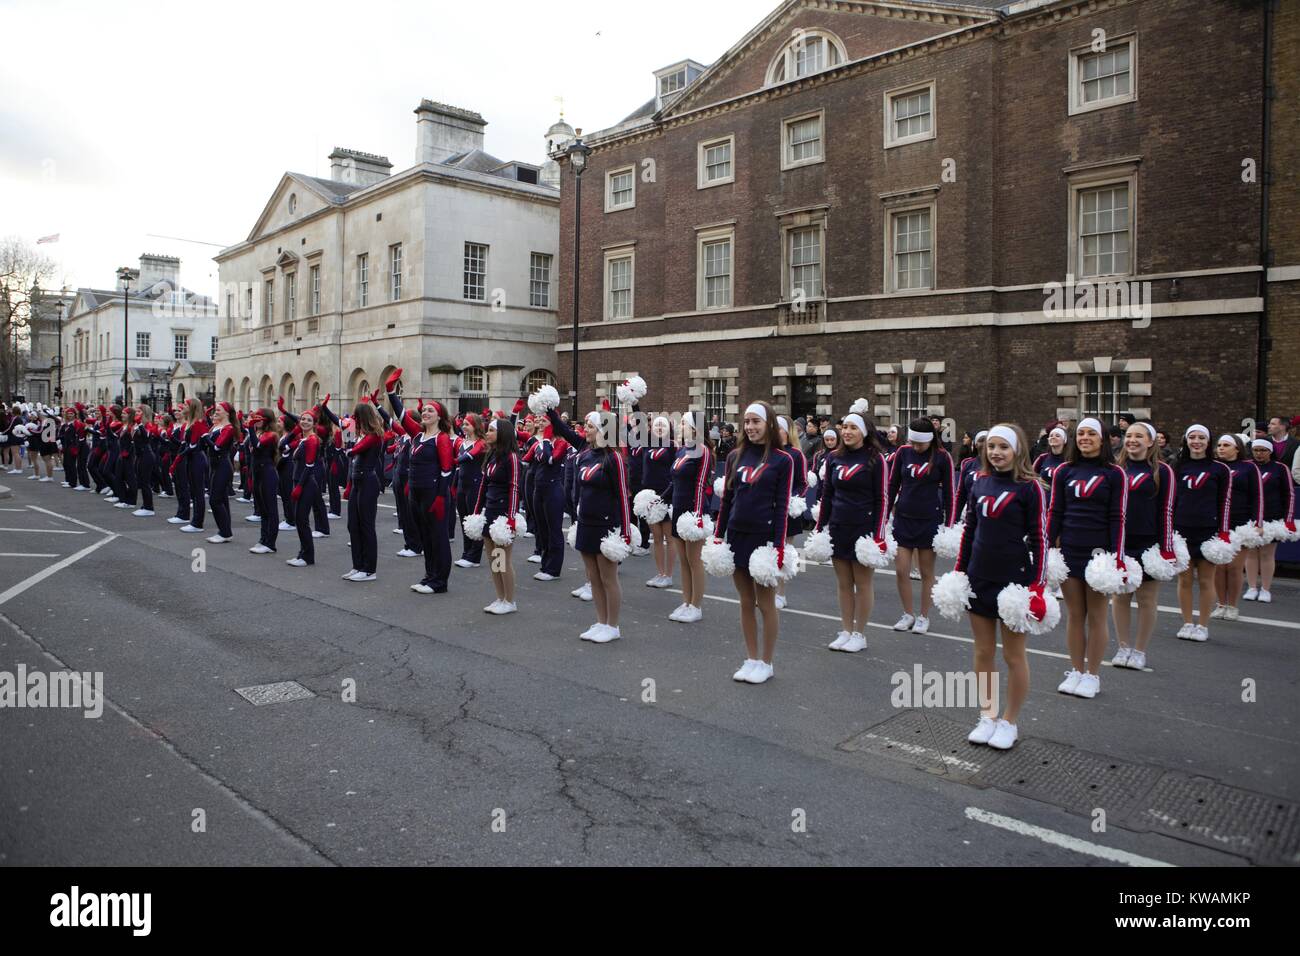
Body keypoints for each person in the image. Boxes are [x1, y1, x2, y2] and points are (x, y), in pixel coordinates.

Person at [955, 424, 1046, 750]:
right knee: (982, 651)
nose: (995, 452)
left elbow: (1041, 539)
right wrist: (959, 573)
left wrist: (1037, 585)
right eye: (991, 446)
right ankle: (987, 715)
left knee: (1013, 655)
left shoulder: (1031, 488)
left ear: (1017, 450)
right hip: (980, 577)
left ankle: (1009, 721)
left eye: (1003, 447)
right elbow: (970, 532)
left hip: (1015, 582)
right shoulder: (979, 481)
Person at [1048, 417, 1128, 698]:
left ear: (1103, 439)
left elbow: (1117, 516)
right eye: (1080, 433)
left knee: (1096, 616)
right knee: (1074, 615)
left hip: (1099, 554)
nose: (1084, 438)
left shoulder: (1115, 473)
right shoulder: (1064, 471)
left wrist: (1116, 557)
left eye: (1091, 434)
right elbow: (1055, 511)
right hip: (1069, 549)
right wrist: (1048, 548)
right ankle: (1076, 670)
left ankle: (1093, 675)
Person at [716, 401, 794, 683]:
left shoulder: (783, 460)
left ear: (769, 424)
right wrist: (717, 537)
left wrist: (778, 548)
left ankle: (767, 661)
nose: (750, 427)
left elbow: (782, 505)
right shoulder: (736, 456)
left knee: (766, 602)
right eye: (747, 422)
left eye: (756, 422)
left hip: (764, 540)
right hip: (737, 535)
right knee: (745, 601)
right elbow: (726, 500)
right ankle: (751, 657)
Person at [546, 404, 633, 640]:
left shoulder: (614, 458)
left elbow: (623, 497)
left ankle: (612, 626)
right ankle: (600, 621)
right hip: (585, 522)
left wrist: (624, 532)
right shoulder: (584, 455)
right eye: (586, 426)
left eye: (591, 426)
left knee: (608, 578)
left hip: (606, 525)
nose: (586, 428)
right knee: (593, 577)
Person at [815, 409, 888, 655]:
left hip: (864, 530)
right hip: (838, 526)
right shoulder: (834, 457)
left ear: (864, 432)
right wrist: (820, 527)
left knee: (863, 583)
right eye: (845, 427)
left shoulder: (876, 459)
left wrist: (878, 536)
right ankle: (846, 629)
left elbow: (882, 499)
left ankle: (860, 633)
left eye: (853, 428)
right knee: (844, 584)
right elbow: (827, 495)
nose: (846, 431)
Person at [1111, 422, 1176, 671]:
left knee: (1147, 599)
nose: (1132, 440)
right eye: (1129, 435)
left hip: (1148, 543)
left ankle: (1139, 651)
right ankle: (1123, 646)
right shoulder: (1116, 469)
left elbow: (1166, 510)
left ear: (1151, 442)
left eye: (1139, 436)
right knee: (1120, 596)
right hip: (1121, 542)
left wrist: (1166, 547)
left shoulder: (1163, 471)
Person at [888, 418, 957, 634]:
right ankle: (908, 613)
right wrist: (884, 515)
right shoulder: (903, 453)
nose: (915, 447)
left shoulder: (943, 457)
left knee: (927, 572)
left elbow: (949, 493)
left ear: (930, 440)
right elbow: (892, 485)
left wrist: (949, 524)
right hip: (904, 518)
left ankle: (923, 616)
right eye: (913, 442)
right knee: (901, 570)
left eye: (920, 444)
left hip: (929, 520)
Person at [1172, 425, 1231, 642]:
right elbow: (1171, 501)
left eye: (1201, 438)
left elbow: (1225, 502)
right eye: (1192, 437)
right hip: (1182, 531)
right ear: (1186, 441)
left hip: (1208, 531)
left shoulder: (1219, 469)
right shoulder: (1177, 466)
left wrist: (1223, 533)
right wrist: (1169, 531)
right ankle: (1187, 623)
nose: (1197, 441)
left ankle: (1203, 625)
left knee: (1207, 580)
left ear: (1209, 442)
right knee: (1184, 580)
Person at [468, 417, 523, 613]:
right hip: (489, 511)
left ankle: (510, 600)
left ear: (502, 433)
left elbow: (515, 488)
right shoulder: (492, 455)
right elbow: (484, 485)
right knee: (493, 558)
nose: (487, 433)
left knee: (502, 559)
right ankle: (500, 598)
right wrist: (476, 511)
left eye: (490, 430)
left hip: (502, 514)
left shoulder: (512, 458)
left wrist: (510, 518)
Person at [668, 412, 714, 623]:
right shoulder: (682, 451)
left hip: (693, 511)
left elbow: (700, 485)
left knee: (694, 561)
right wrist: (658, 500)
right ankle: (686, 601)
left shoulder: (702, 451)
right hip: (678, 510)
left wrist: (696, 516)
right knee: (683, 561)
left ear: (695, 428)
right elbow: (673, 483)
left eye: (684, 423)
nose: (680, 426)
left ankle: (696, 605)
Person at [1211, 433, 1261, 622]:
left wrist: (1258, 521)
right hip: (1217, 522)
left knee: (1234, 567)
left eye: (1226, 445)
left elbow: (1257, 495)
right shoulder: (1215, 466)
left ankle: (1232, 606)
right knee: (1219, 567)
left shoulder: (1249, 467)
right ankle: (1220, 604)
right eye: (1219, 445)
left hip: (1241, 522)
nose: (1221, 448)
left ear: (1237, 448)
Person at [1245, 439, 1294, 603]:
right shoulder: (1248, 466)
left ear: (1270, 451)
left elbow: (1289, 494)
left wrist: (1288, 519)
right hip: (1250, 515)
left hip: (1273, 515)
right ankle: (1251, 587)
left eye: (1263, 450)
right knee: (1251, 551)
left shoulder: (1280, 468)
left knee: (1267, 553)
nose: (1259, 453)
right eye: (1256, 450)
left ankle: (1265, 589)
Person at [342, 402, 386, 581]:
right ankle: (357, 565)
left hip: (368, 481)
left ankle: (369, 569)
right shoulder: (362, 435)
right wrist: (348, 429)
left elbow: (352, 451)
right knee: (353, 525)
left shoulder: (374, 436)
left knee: (366, 525)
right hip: (358, 481)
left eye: (356, 416)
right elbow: (347, 445)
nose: (354, 420)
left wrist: (349, 432)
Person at [641, 416, 676, 589]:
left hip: (666, 494)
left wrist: (665, 495)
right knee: (656, 537)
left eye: (662, 425)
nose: (659, 428)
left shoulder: (672, 446)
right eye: (656, 425)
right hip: (650, 495)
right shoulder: (648, 444)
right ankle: (660, 573)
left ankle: (668, 575)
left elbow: (675, 473)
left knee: (669, 538)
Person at [454, 414, 487, 569]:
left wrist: (453, 461)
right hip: (462, 484)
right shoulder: (461, 442)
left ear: (476, 426)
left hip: (475, 485)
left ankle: (474, 556)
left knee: (475, 520)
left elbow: (469, 456)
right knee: (464, 520)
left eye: (467, 424)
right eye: (463, 424)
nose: (464, 426)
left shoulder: (481, 443)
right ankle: (466, 553)